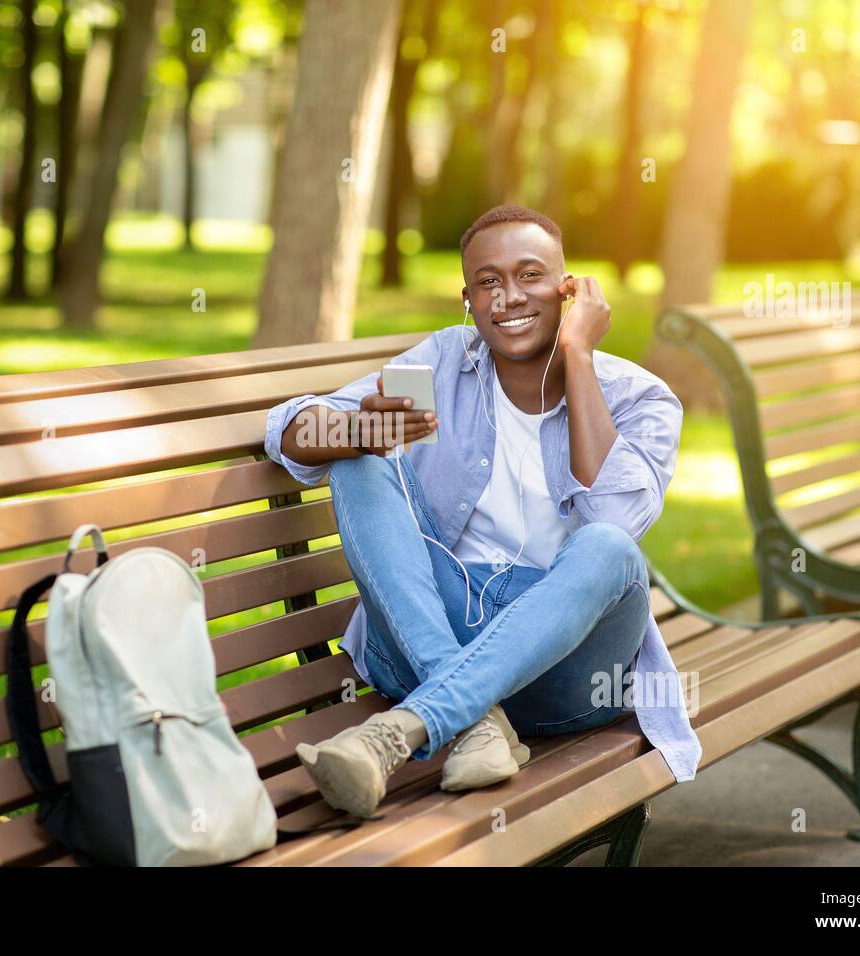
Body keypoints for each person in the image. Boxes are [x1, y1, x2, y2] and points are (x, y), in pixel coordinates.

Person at [262, 203, 701, 819]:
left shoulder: (640, 398)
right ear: (467, 298)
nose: (510, 297)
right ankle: (475, 724)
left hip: (562, 674)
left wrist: (577, 356)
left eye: (530, 275)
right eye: (489, 282)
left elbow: (615, 518)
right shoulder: (442, 366)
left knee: (609, 550)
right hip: (429, 639)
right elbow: (289, 428)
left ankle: (406, 728)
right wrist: (359, 428)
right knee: (360, 451)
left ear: (568, 287)